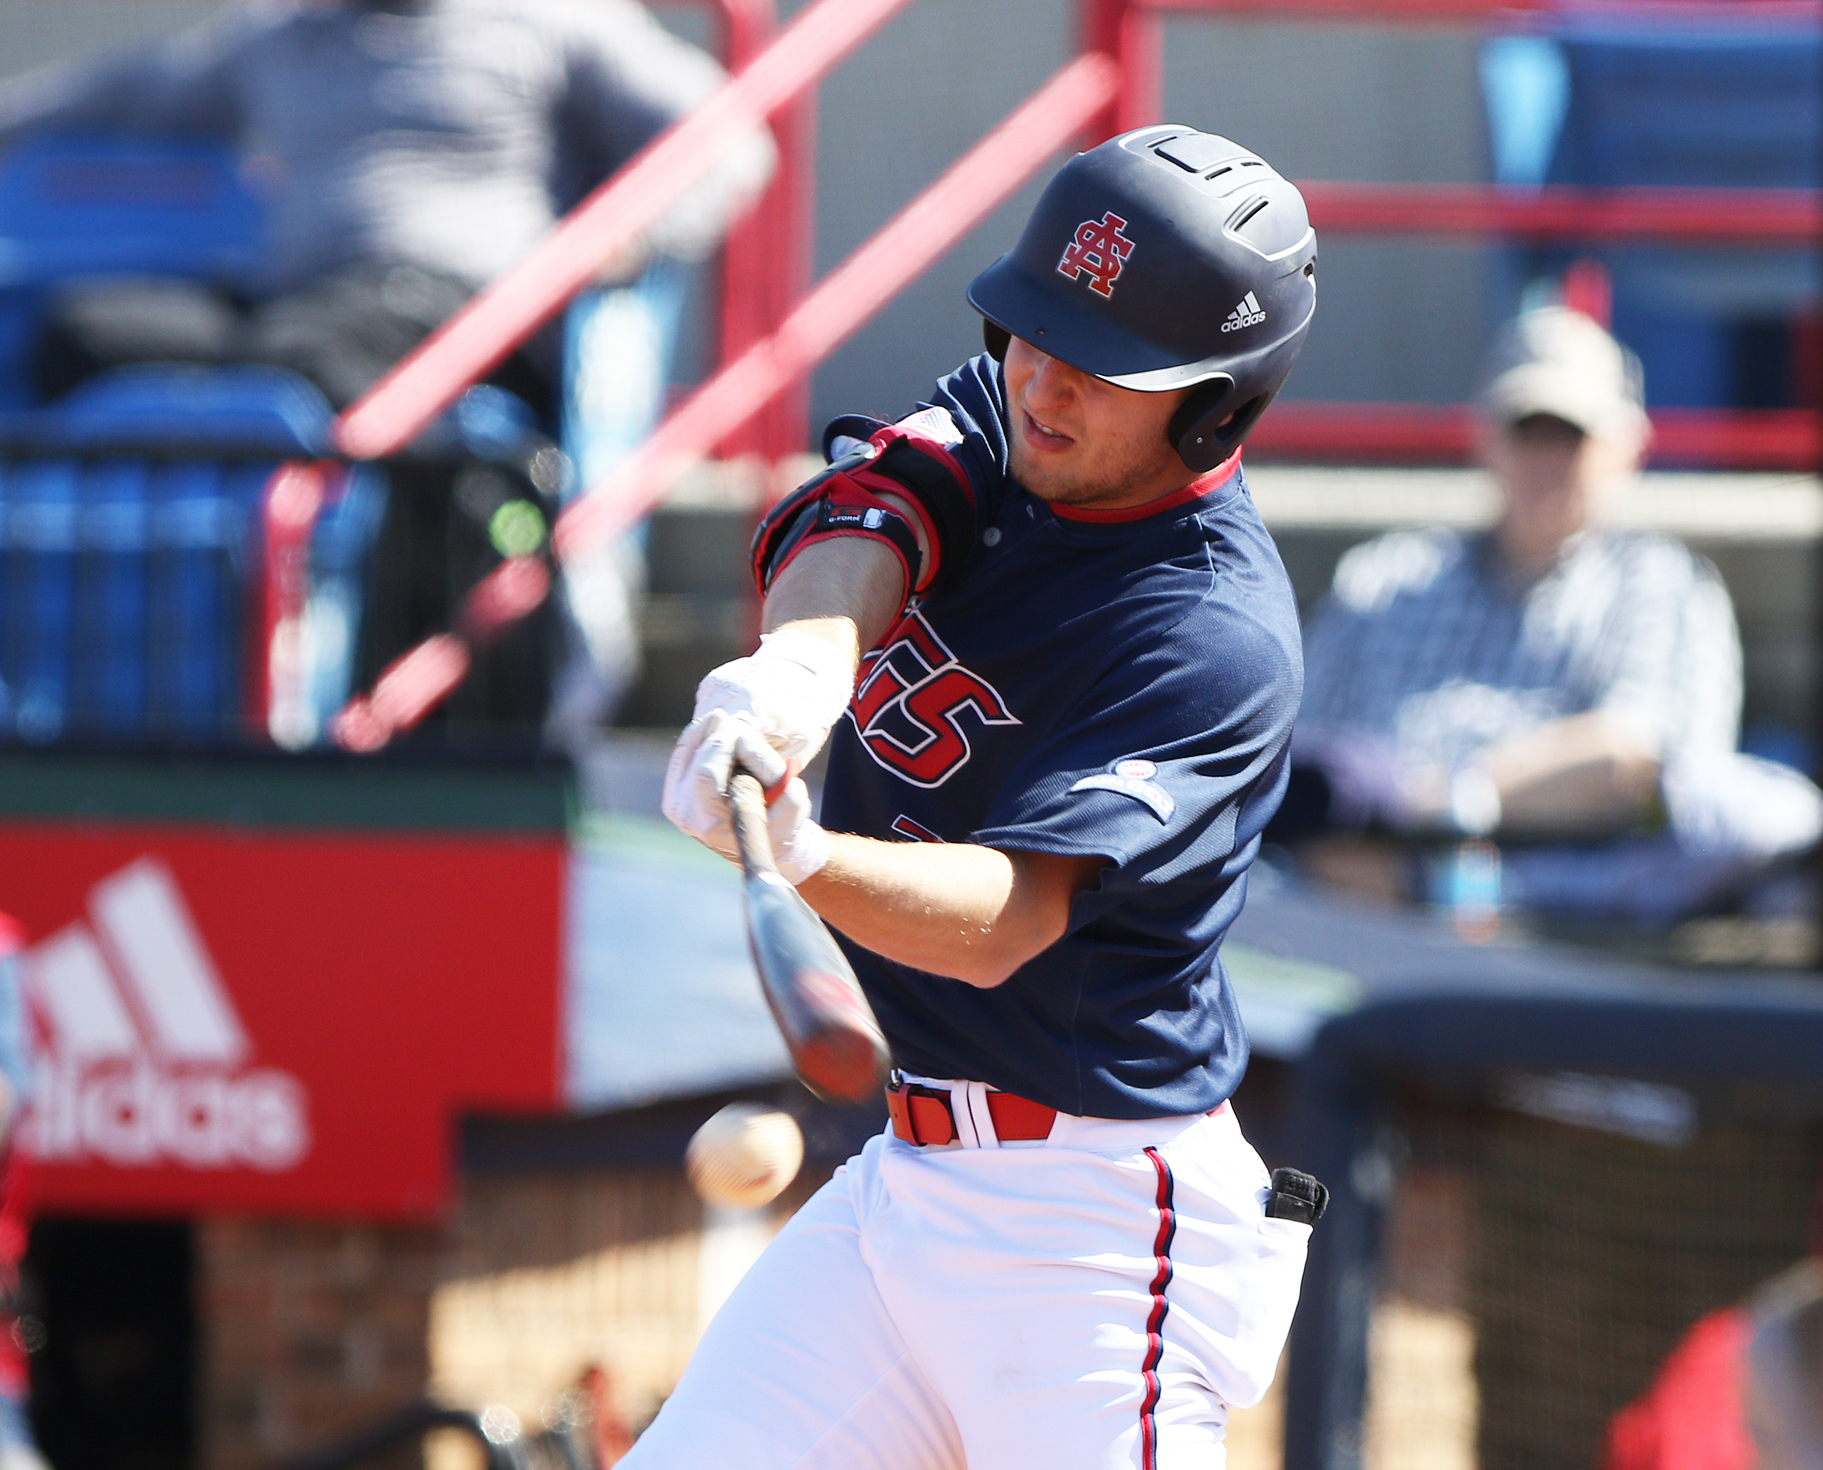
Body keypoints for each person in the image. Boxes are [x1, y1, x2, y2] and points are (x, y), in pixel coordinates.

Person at [650, 126, 1320, 1468]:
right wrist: (799, 667)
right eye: (1031, 333)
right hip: (901, 1186)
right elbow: (869, 512)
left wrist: (803, 853)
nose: (1042, 382)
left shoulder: (1210, 629)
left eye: (1101, 366)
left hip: (1095, 1223)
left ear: (1211, 405)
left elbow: (1005, 919)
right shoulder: (1017, 416)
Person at [0, 0, 775, 733]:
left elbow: (728, 141)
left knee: (307, 360)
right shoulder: (281, 37)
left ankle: (342, 632)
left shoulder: (549, 19)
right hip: (293, 307)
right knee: (80, 333)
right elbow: (127, 93)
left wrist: (632, 240)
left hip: (460, 314)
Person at [1287, 305, 1823, 926]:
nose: (1548, 459)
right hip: (1361, 885)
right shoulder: (1387, 575)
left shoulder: (1662, 581)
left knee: (1765, 815)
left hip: (1574, 889)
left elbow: (1639, 768)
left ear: (1628, 445)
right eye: (1529, 430)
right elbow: (1303, 760)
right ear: (1486, 437)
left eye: (1571, 435)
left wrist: (1437, 801)